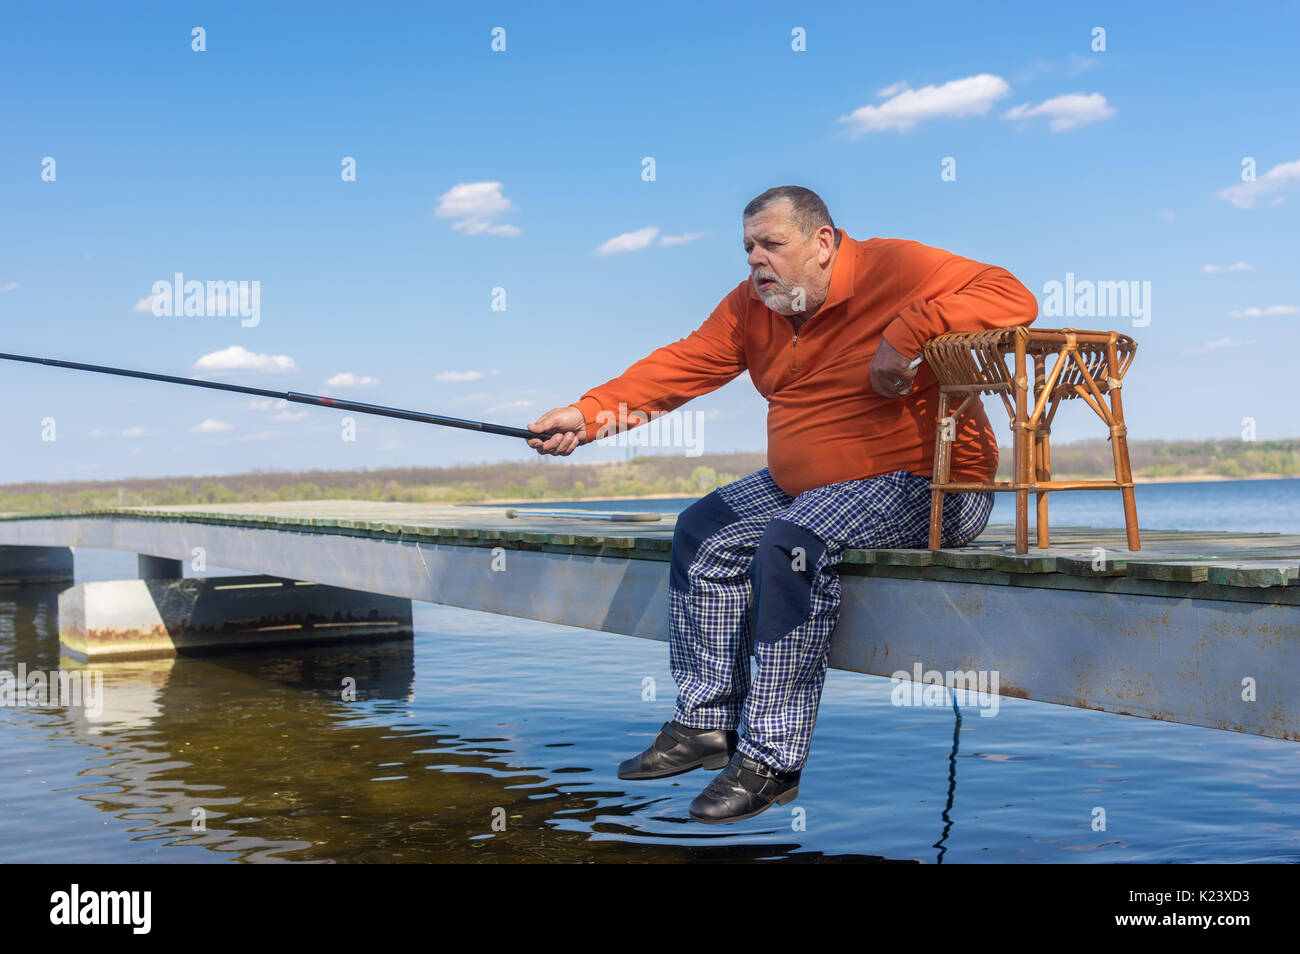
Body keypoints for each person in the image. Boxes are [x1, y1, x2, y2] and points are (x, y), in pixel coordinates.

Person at [527, 186, 1038, 824]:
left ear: (823, 243)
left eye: (771, 244)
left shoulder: (895, 267)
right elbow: (683, 365)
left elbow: (1013, 296)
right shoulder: (754, 306)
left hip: (933, 488)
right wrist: (587, 414)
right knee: (701, 529)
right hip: (809, 486)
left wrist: (906, 334)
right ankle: (706, 723)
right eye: (748, 249)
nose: (755, 262)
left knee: (792, 540)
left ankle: (771, 759)